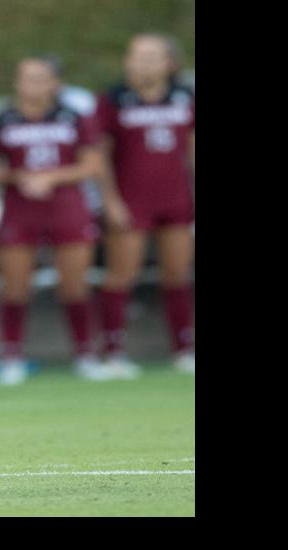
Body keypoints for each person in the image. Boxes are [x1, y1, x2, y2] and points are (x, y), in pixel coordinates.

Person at [0, 56, 109, 385]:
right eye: (27, 78)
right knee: (15, 285)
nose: (33, 85)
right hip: (19, 210)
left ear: (55, 84)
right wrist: (18, 176)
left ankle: (85, 354)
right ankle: (10, 357)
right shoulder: (2, 119)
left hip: (67, 207)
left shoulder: (73, 117)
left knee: (75, 284)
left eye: (41, 79)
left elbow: (91, 164)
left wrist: (50, 177)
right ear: (16, 82)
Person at [96, 33, 195, 376]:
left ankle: (183, 349)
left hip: (176, 196)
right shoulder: (114, 100)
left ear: (169, 62)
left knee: (178, 273)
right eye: (138, 56)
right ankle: (112, 352)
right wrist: (110, 200)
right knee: (122, 273)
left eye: (153, 56)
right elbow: (100, 155)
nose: (145, 63)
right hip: (132, 199)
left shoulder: (185, 97)